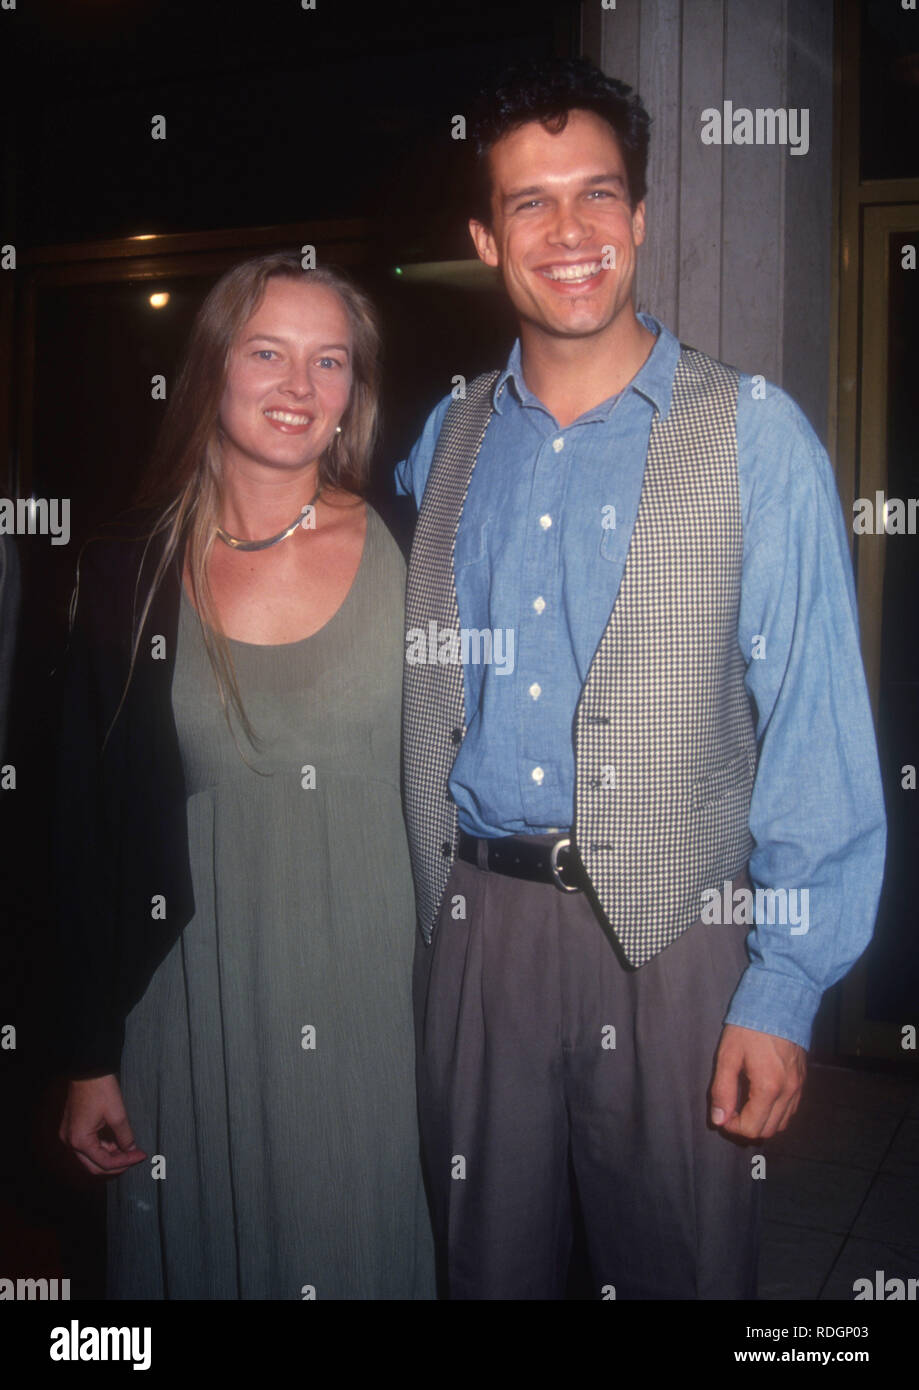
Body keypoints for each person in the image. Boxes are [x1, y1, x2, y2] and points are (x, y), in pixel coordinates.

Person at [396, 59, 887, 1300]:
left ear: (642, 217)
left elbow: (814, 725)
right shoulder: (444, 439)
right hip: (476, 930)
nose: (570, 233)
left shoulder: (751, 432)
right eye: (529, 203)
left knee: (681, 1269)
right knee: (484, 1272)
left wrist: (782, 986)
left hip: (675, 938)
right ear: (483, 236)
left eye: (598, 194)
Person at [56, 252, 434, 1300]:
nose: (299, 387)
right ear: (214, 368)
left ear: (355, 391)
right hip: (189, 1007)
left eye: (329, 361)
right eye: (267, 352)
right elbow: (78, 831)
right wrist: (88, 1053)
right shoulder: (125, 568)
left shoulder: (418, 546)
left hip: (380, 1014)